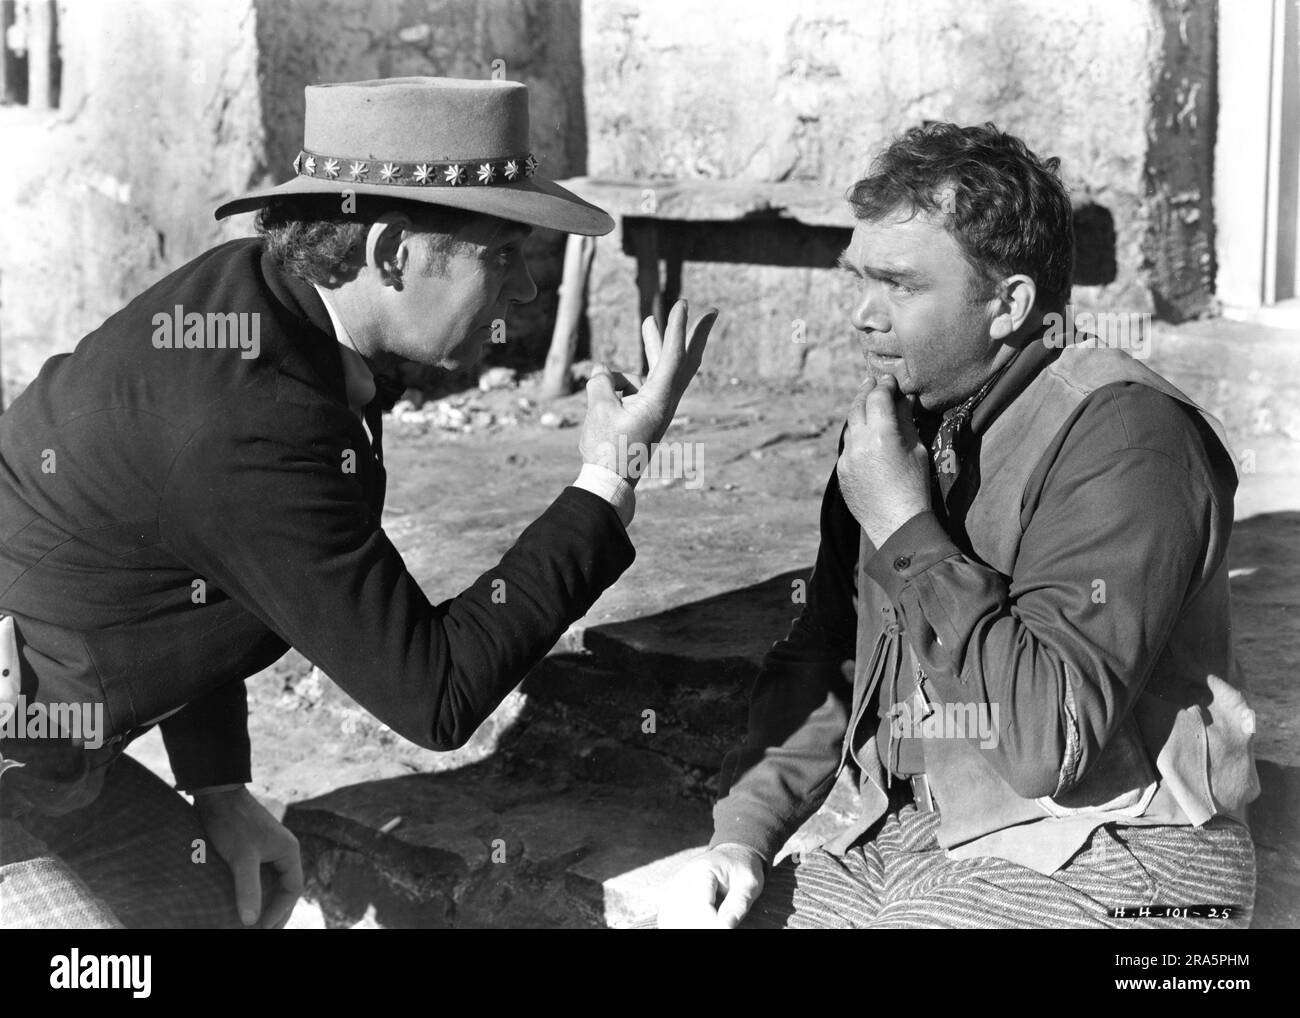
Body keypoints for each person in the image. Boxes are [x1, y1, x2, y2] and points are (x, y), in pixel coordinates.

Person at [0, 77, 715, 929]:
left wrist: (219, 784)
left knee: (213, 912)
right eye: (501, 253)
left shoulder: (259, 301)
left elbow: (199, 564)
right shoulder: (249, 411)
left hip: (56, 749)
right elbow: (435, 693)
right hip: (17, 768)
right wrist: (607, 476)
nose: (524, 291)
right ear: (387, 251)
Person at [657, 122, 1258, 930]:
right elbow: (829, 653)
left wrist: (905, 525)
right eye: (859, 280)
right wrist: (743, 836)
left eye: (901, 286)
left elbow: (1050, 741)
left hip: (1124, 854)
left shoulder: (1127, 436)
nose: (863, 316)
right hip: (905, 832)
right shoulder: (898, 426)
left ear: (1008, 304)